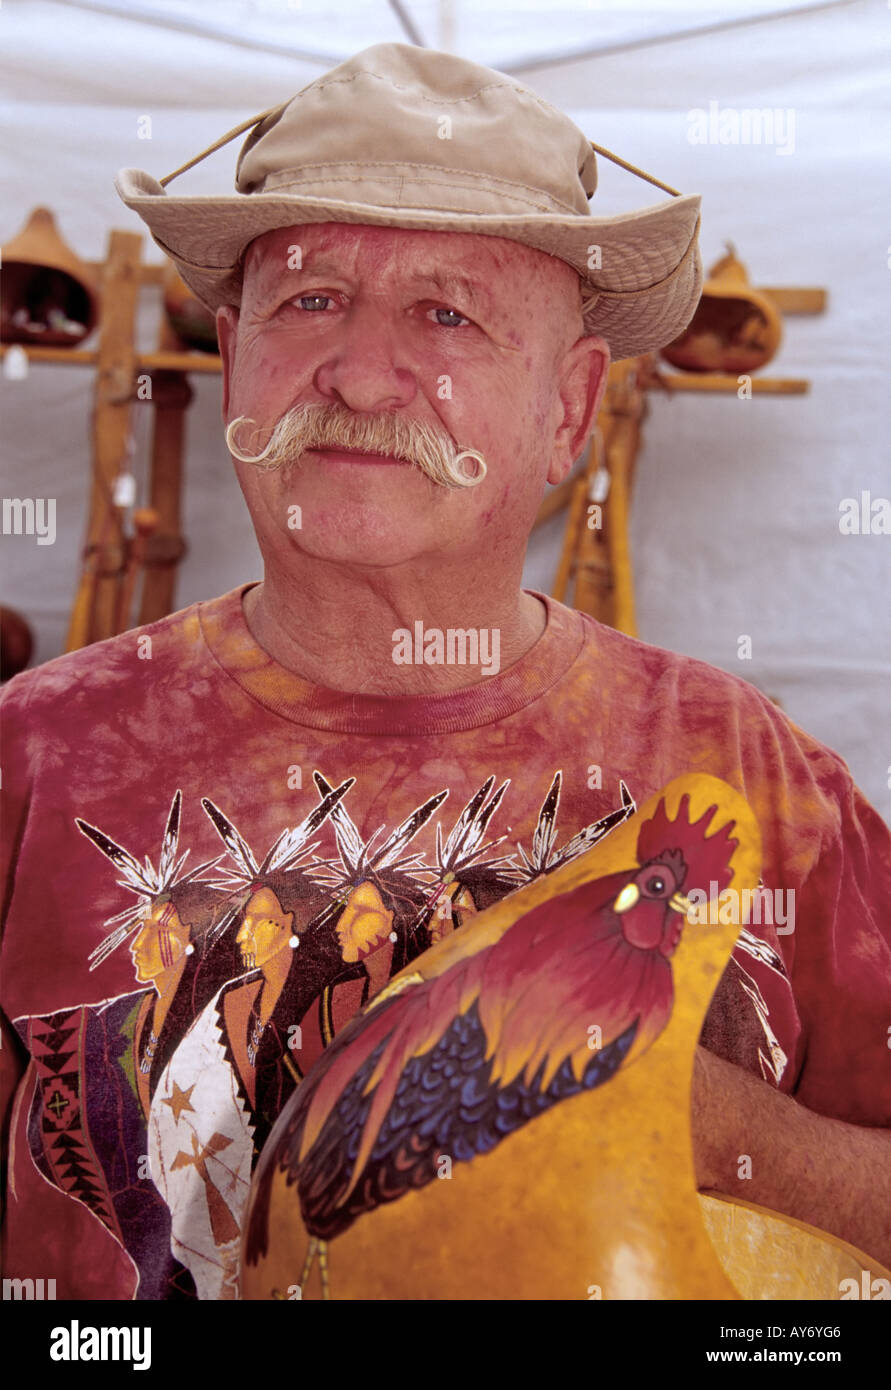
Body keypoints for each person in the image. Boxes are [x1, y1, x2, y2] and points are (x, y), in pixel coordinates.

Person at [1, 42, 889, 1300]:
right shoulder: (29, 761)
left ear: (571, 410)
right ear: (236, 345)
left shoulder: (759, 778)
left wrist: (727, 1141)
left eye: (447, 313)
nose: (360, 375)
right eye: (308, 300)